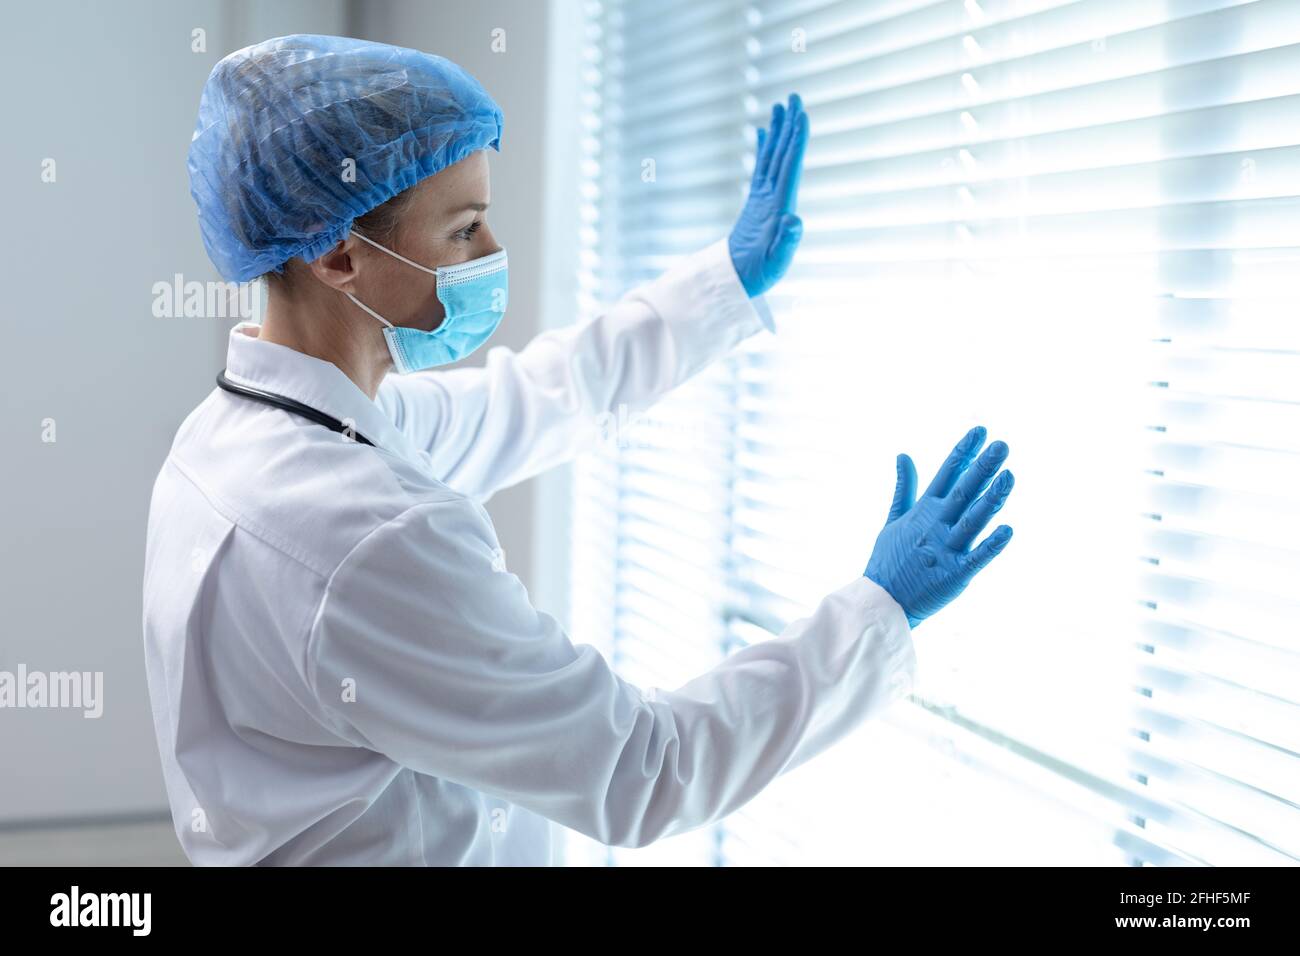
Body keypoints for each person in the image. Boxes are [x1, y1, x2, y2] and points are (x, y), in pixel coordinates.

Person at [143, 34, 1015, 866]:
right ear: (339, 256)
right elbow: (647, 773)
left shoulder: (238, 436)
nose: (493, 253)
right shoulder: (366, 541)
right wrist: (875, 614)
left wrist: (721, 283)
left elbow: (539, 400)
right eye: (464, 230)